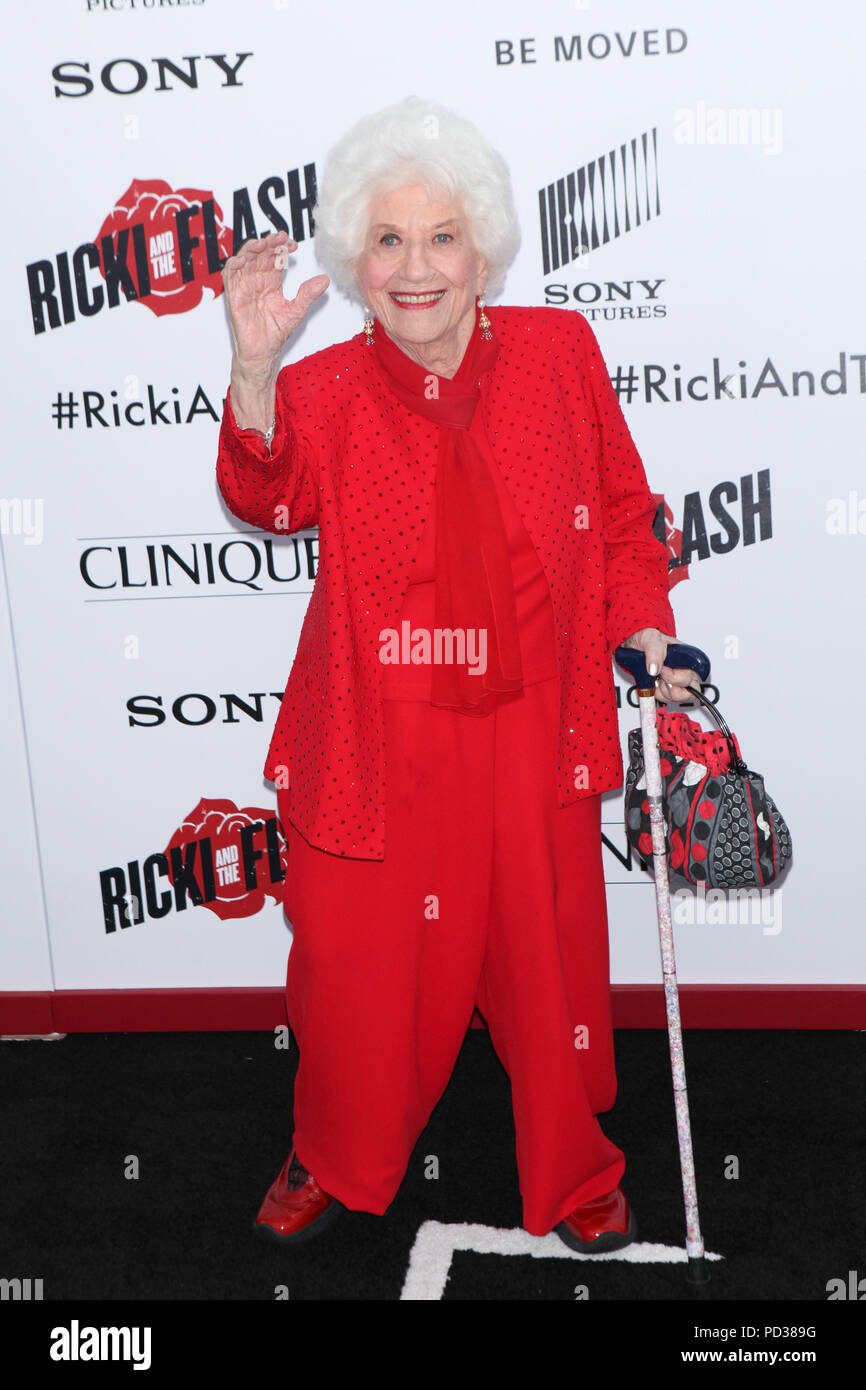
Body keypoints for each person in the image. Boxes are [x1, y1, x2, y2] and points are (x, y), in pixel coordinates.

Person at [216, 95, 701, 1253]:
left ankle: (576, 1170)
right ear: (354, 261)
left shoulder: (558, 352)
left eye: (440, 237)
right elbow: (265, 497)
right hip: (379, 729)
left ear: (481, 248)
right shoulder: (323, 392)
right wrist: (250, 372)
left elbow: (629, 517)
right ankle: (333, 1147)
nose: (416, 267)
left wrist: (638, 625)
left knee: (538, 959)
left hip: (532, 718)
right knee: (346, 965)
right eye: (387, 240)